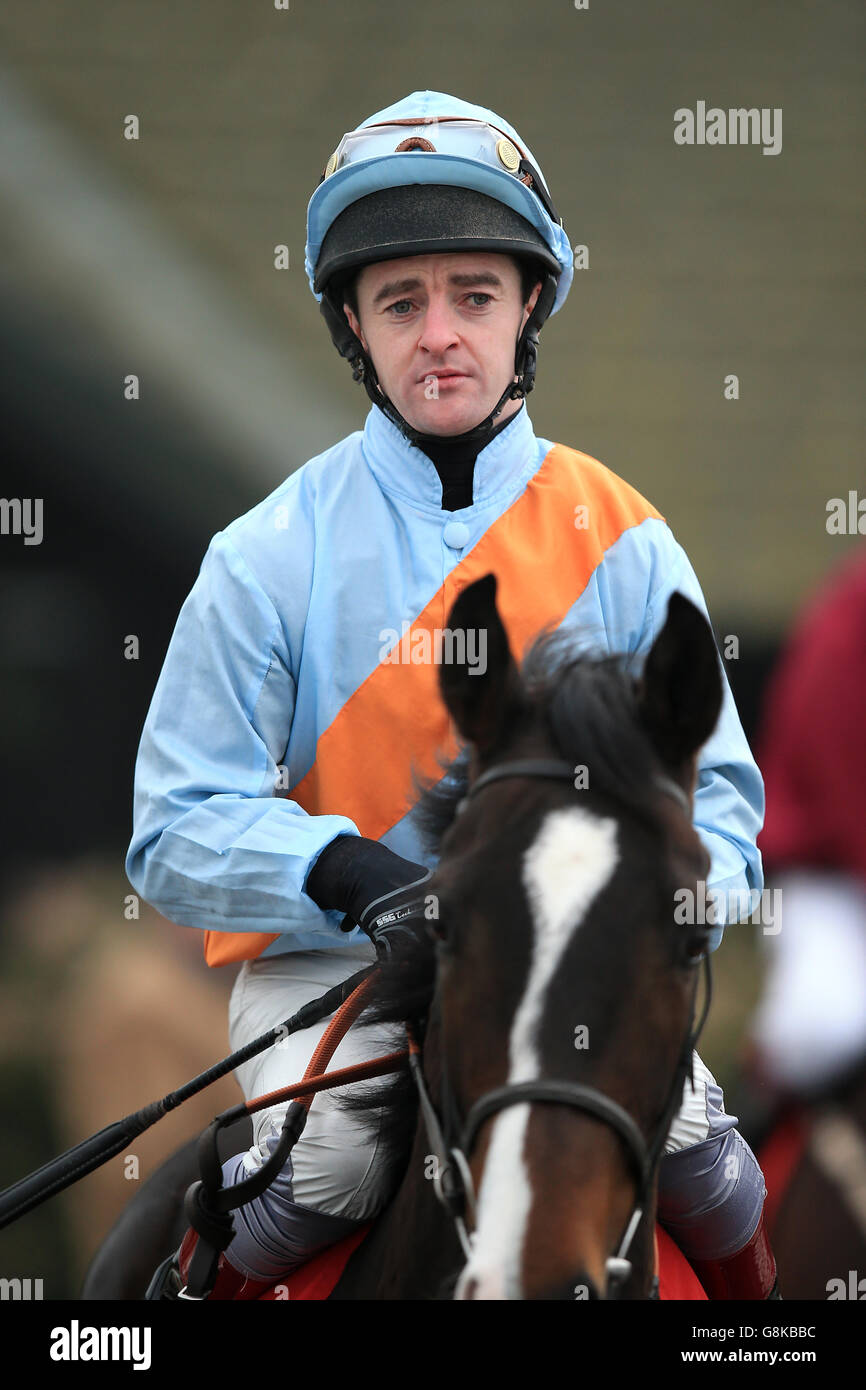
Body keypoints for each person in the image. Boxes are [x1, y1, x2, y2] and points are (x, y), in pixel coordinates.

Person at [127, 90, 777, 1299]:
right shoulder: (263, 554)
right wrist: (345, 874)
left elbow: (727, 805)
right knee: (315, 1168)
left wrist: (653, 897)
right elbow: (171, 831)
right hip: (340, 970)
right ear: (352, 329)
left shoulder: (628, 539)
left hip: (581, 966)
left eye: (473, 295)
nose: (439, 334)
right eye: (400, 302)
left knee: (716, 1174)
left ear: (527, 307)